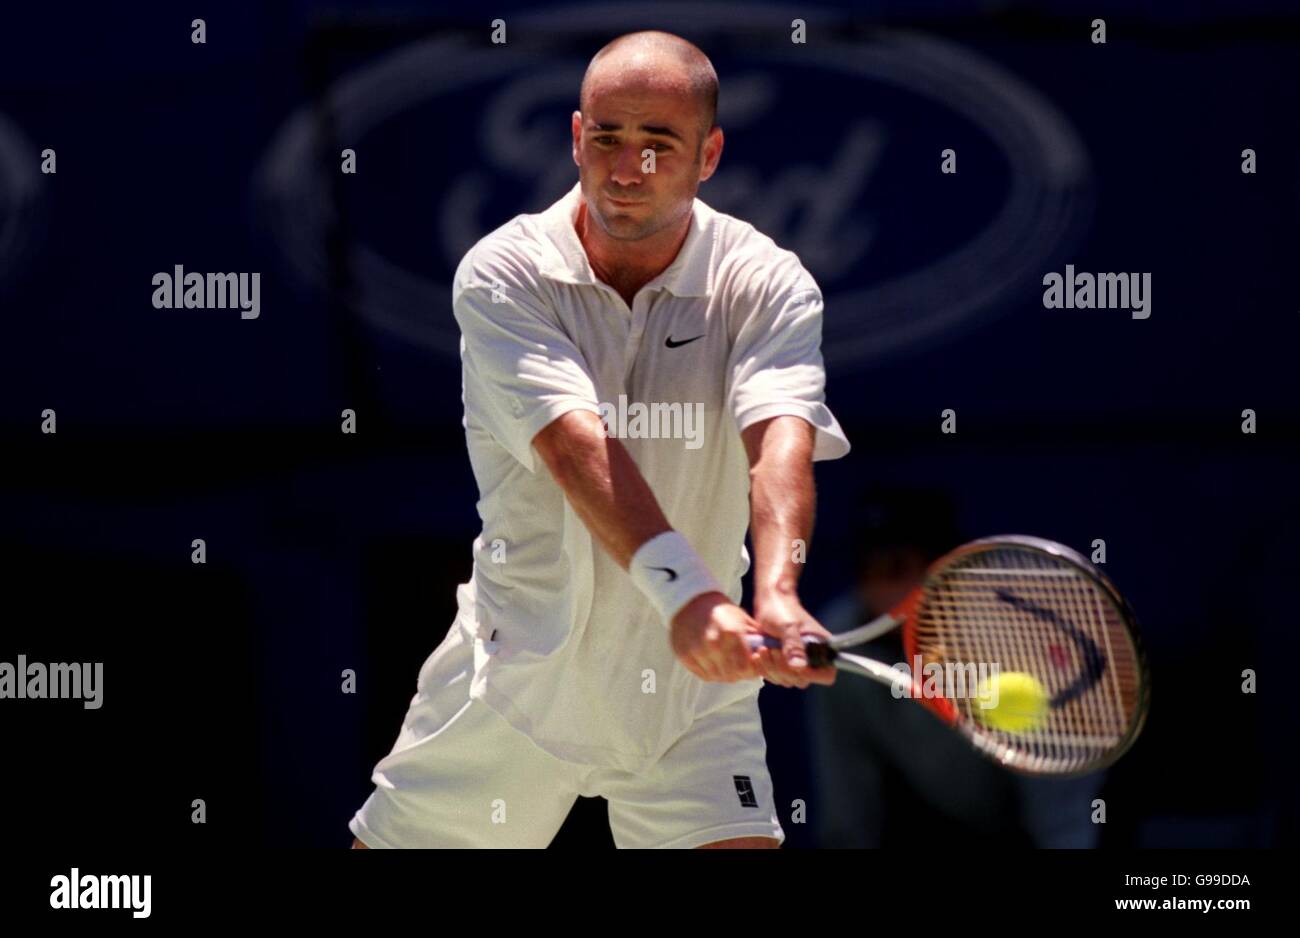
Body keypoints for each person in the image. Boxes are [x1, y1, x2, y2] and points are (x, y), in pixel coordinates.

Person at [348, 30, 851, 849]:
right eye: (609, 137)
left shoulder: (766, 282)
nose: (627, 169)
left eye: (660, 144)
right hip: (515, 678)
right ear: (577, 137)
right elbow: (576, 448)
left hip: (692, 697)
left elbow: (779, 444)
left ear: (709, 155)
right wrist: (689, 594)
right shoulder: (504, 272)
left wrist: (780, 592)